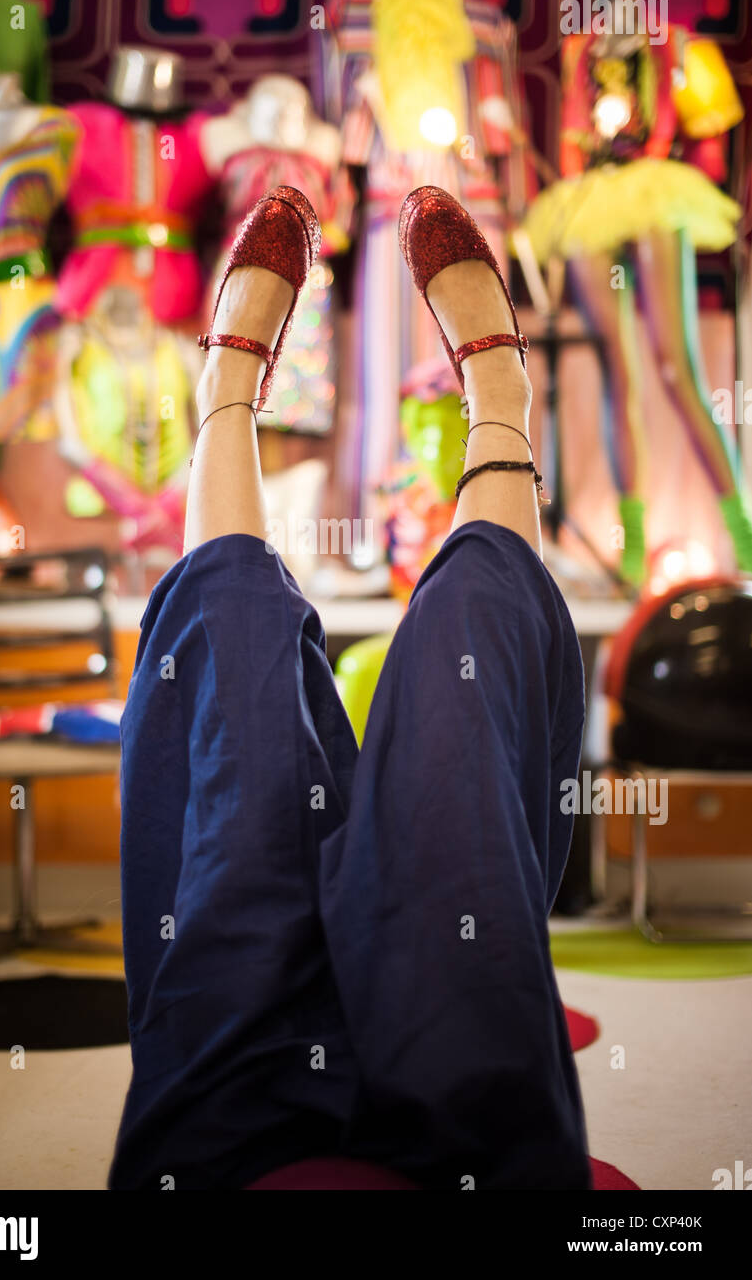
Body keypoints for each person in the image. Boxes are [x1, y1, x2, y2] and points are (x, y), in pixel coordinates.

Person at [109, 184, 591, 1191]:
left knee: (236, 642)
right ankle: (500, 405)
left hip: (224, 1139)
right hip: (473, 1139)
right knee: (461, 640)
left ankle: (225, 403)